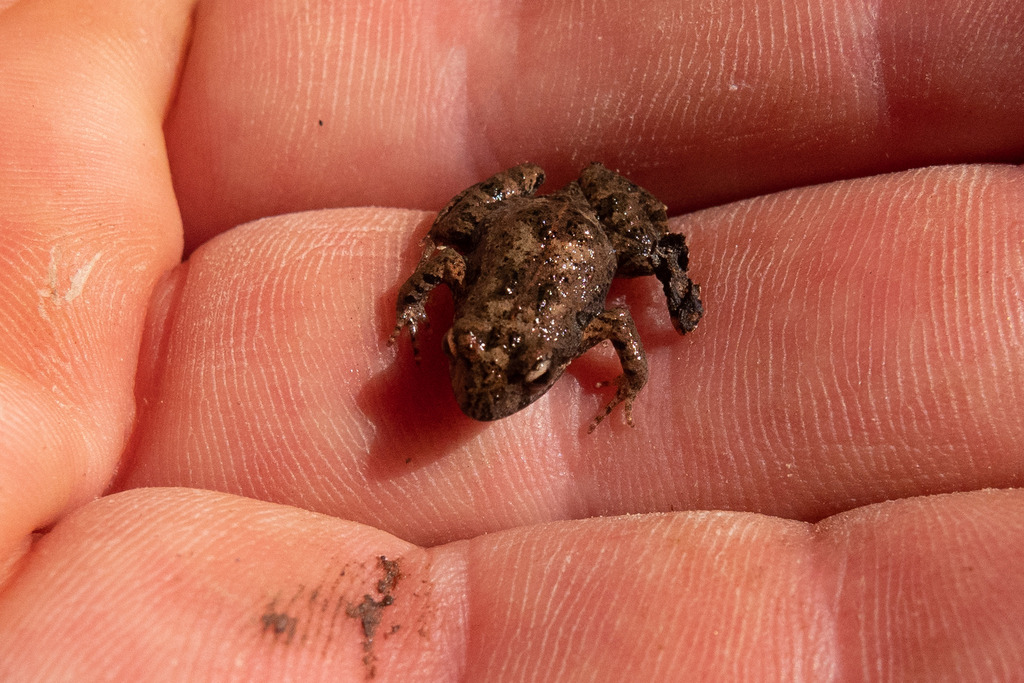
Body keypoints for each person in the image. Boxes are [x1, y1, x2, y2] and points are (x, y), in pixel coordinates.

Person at [1, 0, 1022, 678]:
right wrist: (418, 300)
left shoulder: (575, 325)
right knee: (475, 223)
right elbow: (446, 265)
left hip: (574, 230)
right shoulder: (474, 318)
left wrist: (634, 345)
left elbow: (618, 317)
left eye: (507, 375)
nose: (483, 394)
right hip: (523, 233)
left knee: (640, 243)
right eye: (473, 366)